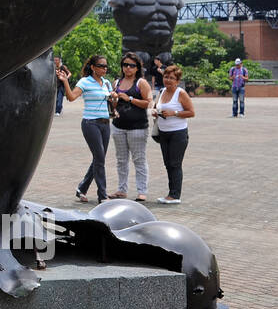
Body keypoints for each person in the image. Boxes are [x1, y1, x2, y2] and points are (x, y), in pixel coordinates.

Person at [57, 54, 113, 203]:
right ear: (93, 67)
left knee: (98, 158)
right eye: (101, 66)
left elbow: (111, 104)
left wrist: (114, 98)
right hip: (90, 124)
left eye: (106, 66)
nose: (104, 68)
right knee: (100, 158)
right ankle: (103, 195)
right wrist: (65, 82)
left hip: (106, 124)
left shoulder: (107, 83)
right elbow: (71, 97)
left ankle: (82, 188)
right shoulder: (85, 82)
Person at [108, 51, 152, 201]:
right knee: (121, 160)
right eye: (125, 65)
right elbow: (114, 105)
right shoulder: (116, 83)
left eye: (131, 66)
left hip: (137, 127)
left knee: (139, 159)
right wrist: (113, 99)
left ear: (137, 68)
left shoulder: (141, 83)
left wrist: (130, 98)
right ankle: (121, 189)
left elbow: (148, 102)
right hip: (118, 126)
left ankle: (142, 191)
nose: (128, 68)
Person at [154, 64, 195, 204]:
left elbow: (191, 112)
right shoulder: (161, 91)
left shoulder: (180, 93)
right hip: (163, 133)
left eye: (172, 78)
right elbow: (155, 108)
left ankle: (175, 195)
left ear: (177, 81)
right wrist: (155, 112)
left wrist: (175, 113)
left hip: (178, 133)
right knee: (167, 164)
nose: (168, 80)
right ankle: (171, 193)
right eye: (166, 77)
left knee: (175, 163)